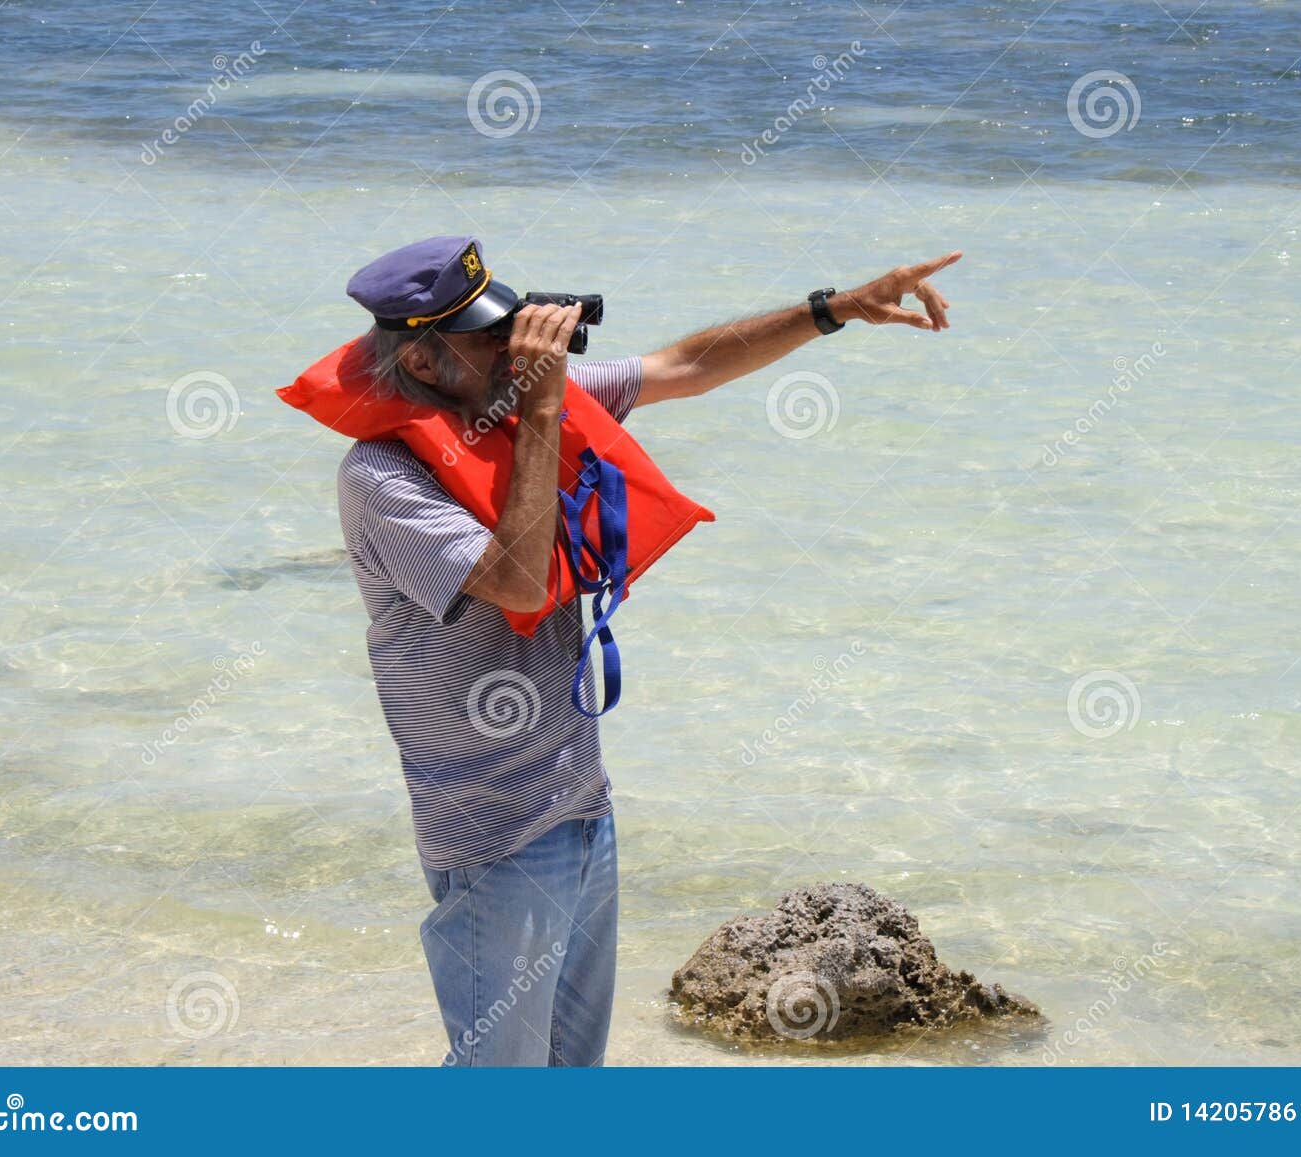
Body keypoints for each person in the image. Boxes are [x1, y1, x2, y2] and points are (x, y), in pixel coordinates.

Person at [333, 235, 961, 1065]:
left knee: (572, 1076)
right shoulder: (382, 478)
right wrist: (546, 405)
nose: (511, 344)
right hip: (494, 833)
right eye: (489, 335)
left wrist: (832, 309)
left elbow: (684, 366)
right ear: (420, 356)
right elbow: (521, 585)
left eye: (508, 325)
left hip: (582, 808)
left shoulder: (505, 400)